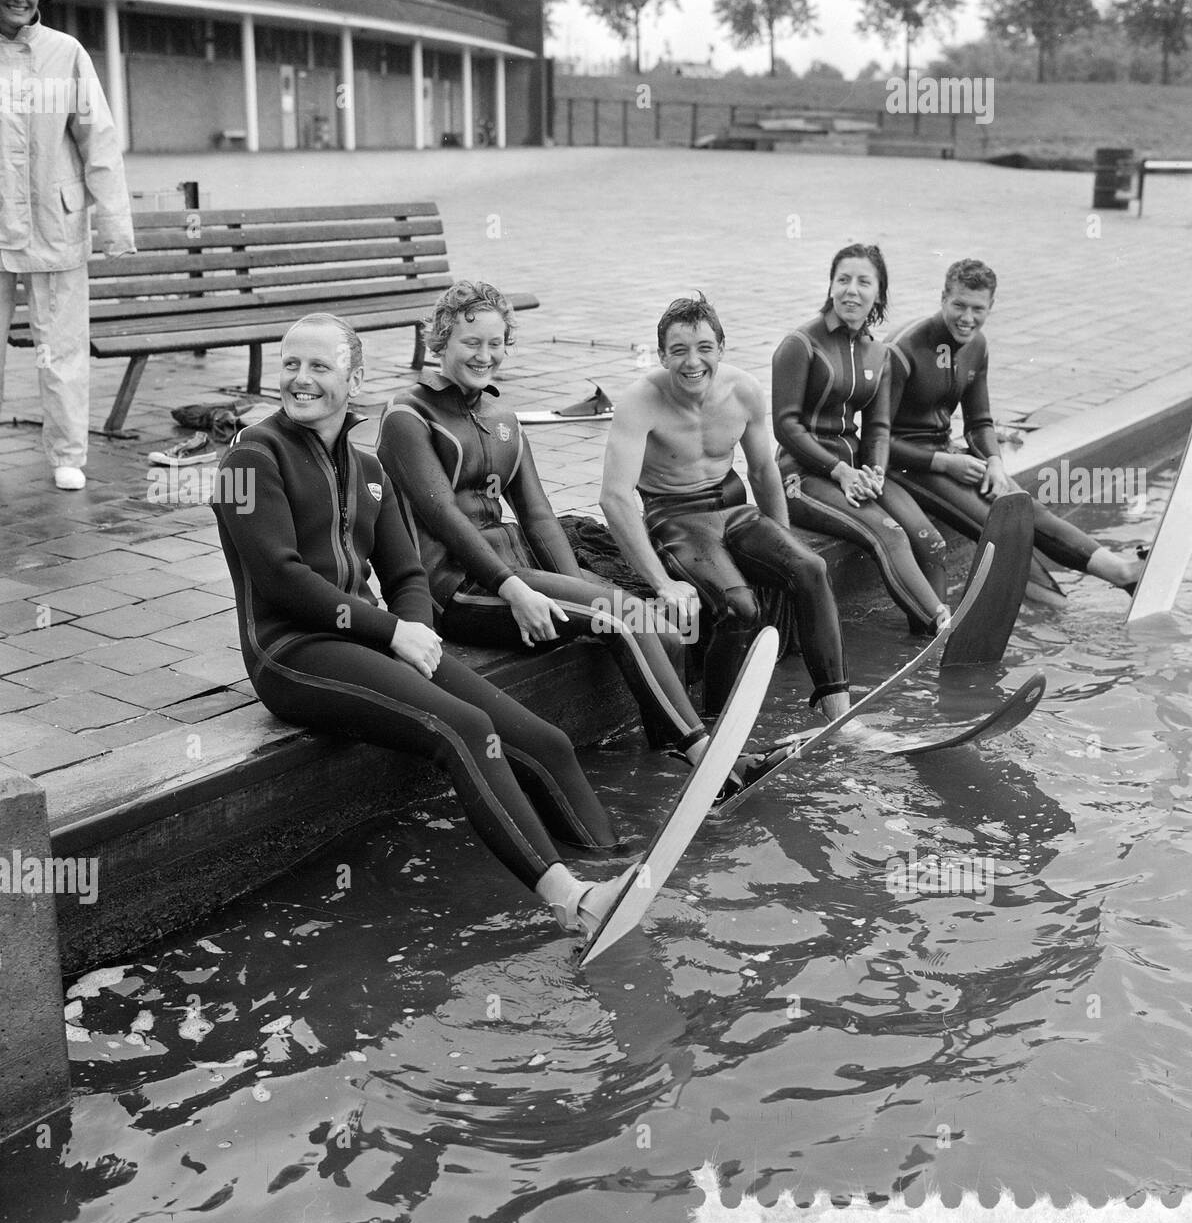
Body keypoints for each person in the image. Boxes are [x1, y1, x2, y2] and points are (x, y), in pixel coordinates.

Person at [212, 313, 645, 944]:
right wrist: (392, 634)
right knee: (465, 729)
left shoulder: (367, 469)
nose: (300, 380)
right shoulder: (250, 459)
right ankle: (571, 901)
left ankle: (613, 870)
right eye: (290, 365)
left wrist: (416, 632)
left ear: (354, 377)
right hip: (293, 652)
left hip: (372, 638)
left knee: (543, 739)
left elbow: (408, 574)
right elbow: (282, 580)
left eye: (319, 366)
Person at [376, 280, 712, 770]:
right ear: (442, 341)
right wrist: (515, 589)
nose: (484, 355)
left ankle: (667, 758)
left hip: (519, 577)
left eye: (496, 344)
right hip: (459, 590)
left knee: (653, 626)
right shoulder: (408, 416)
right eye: (471, 343)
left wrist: (577, 593)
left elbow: (537, 516)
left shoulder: (502, 415)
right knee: (620, 615)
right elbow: (443, 517)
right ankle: (706, 758)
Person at [600, 292, 852, 720]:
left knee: (811, 569)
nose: (692, 362)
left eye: (704, 348)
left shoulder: (744, 391)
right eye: (678, 350)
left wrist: (783, 544)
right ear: (662, 355)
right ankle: (718, 728)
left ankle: (840, 713)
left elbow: (763, 474)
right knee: (740, 608)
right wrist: (662, 583)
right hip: (675, 519)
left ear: (722, 348)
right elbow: (615, 497)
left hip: (734, 510)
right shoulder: (639, 402)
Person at [887, 259, 1144, 593]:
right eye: (959, 305)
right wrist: (946, 462)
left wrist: (994, 462)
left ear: (991, 307)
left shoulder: (977, 346)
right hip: (904, 466)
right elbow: (876, 441)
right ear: (942, 298)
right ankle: (1055, 607)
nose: (967, 318)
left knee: (1022, 505)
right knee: (1004, 528)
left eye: (978, 309)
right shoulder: (904, 348)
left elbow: (978, 422)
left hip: (945, 452)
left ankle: (1122, 573)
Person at [772, 243, 950, 636]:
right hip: (802, 477)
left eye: (863, 282)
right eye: (843, 280)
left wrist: (876, 473)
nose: (852, 290)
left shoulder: (878, 353)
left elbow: (878, 428)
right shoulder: (800, 345)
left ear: (878, 293)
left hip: (856, 472)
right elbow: (785, 426)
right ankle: (942, 624)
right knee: (887, 534)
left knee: (931, 541)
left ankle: (928, 642)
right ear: (831, 286)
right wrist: (838, 470)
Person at [0, 0, 135, 491]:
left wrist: (115, 223)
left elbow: (96, 137)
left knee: (62, 348)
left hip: (54, 221)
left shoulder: (66, 51)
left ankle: (67, 453)